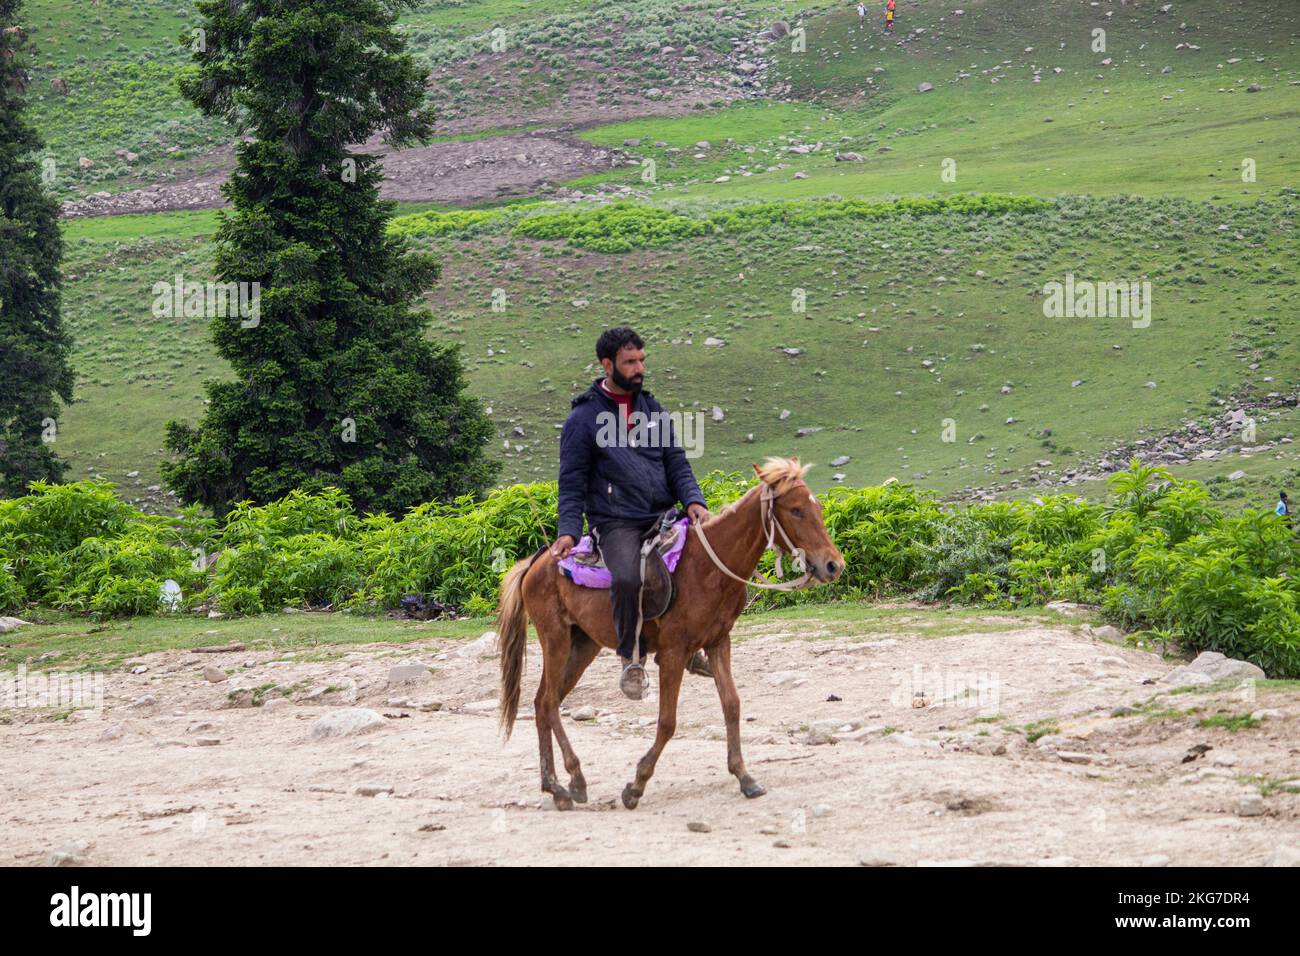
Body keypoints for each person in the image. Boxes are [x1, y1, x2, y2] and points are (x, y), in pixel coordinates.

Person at [551, 327, 712, 700]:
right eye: (630, 362)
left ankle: (689, 646)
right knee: (626, 578)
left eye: (641, 360)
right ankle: (631, 658)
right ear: (608, 365)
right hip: (615, 522)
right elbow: (571, 481)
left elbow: (677, 463)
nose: (639, 368)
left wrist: (694, 500)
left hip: (662, 516)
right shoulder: (584, 418)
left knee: (701, 563)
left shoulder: (653, 410)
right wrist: (569, 531)